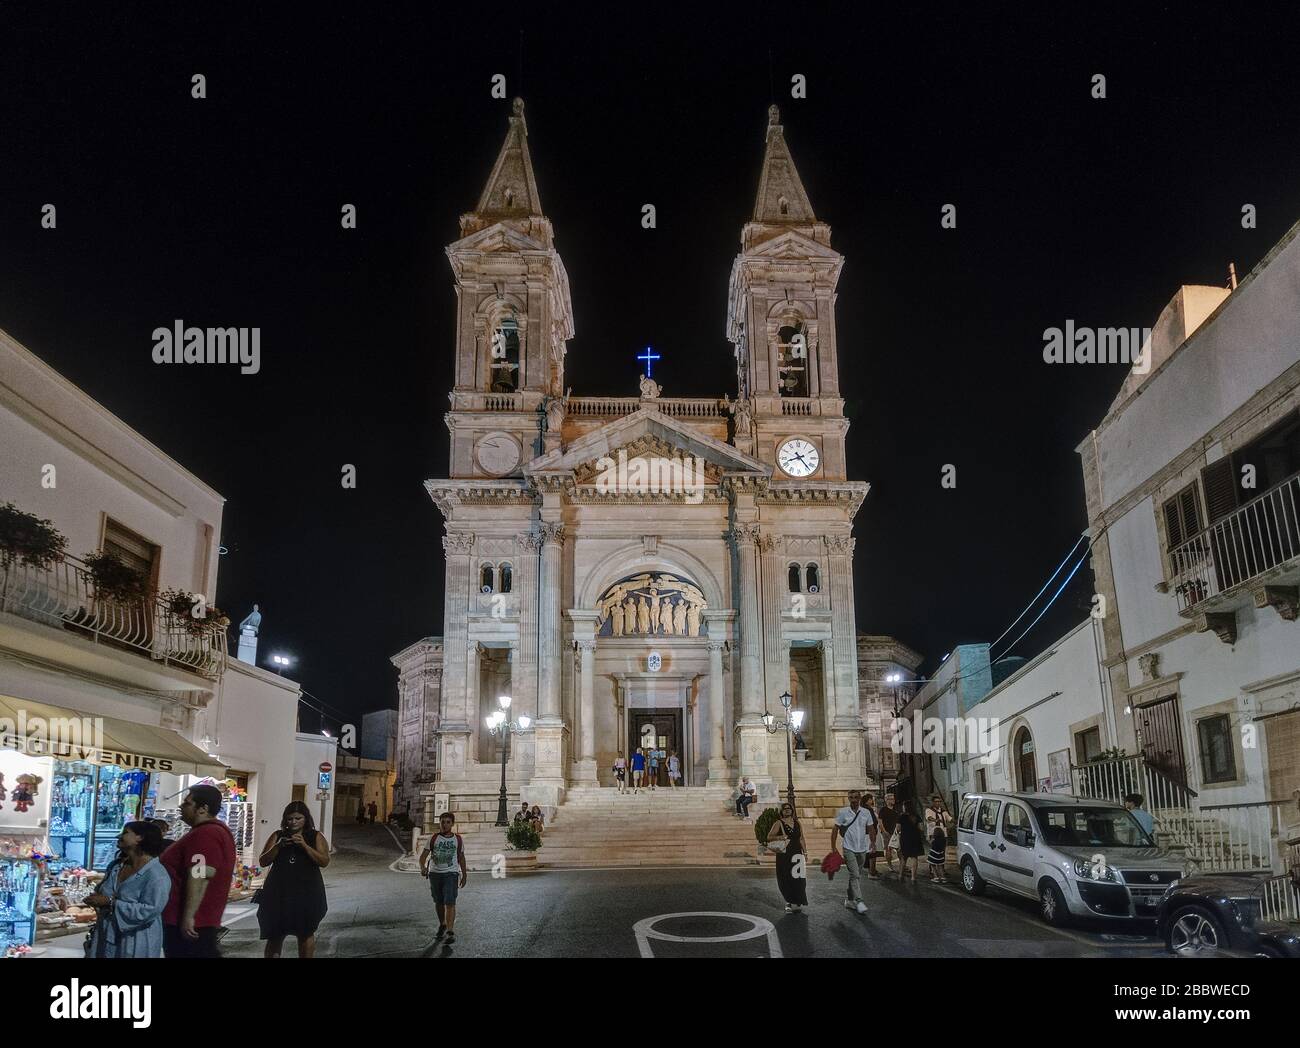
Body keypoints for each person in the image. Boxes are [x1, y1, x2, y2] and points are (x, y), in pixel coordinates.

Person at [159, 784, 236, 958]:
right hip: (195, 919)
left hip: (192, 921)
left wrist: (189, 917)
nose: (181, 806)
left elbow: (199, 874)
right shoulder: (212, 831)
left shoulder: (206, 834)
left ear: (203, 809)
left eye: (187, 803)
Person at [256, 801, 330, 958]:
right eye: (290, 819)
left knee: (305, 933)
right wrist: (277, 846)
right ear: (285, 820)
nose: (294, 822)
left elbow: (324, 861)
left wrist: (305, 845)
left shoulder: (315, 836)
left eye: (298, 818)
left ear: (306, 819)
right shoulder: (278, 835)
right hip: (278, 893)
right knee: (275, 934)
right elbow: (263, 861)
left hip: (306, 893)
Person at [86, 821, 170, 958]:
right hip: (106, 933)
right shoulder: (115, 867)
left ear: (140, 838)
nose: (119, 836)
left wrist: (110, 903)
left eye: (125, 833)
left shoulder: (156, 874)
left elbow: (150, 909)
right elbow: (104, 891)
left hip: (136, 939)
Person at [419, 811, 468, 946]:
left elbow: (462, 858)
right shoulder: (433, 838)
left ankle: (450, 931)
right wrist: (423, 868)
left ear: (452, 824)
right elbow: (423, 857)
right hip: (435, 874)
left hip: (451, 874)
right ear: (439, 823)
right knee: (439, 902)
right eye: (443, 822)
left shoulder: (457, 839)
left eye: (448, 822)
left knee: (450, 902)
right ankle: (443, 923)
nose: (445, 825)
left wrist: (464, 874)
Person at [831, 789, 875, 914]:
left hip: (862, 848)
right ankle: (859, 901)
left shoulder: (866, 812)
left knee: (855, 876)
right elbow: (835, 830)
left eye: (856, 797)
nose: (854, 800)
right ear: (848, 798)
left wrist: (872, 843)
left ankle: (850, 900)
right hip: (848, 848)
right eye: (851, 797)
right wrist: (833, 848)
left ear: (860, 798)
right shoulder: (843, 812)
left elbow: (871, 829)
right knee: (855, 875)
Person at [767, 801, 808, 912]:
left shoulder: (797, 823)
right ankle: (788, 903)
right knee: (786, 878)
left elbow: (801, 838)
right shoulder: (778, 823)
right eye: (784, 808)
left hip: (797, 854)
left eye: (789, 808)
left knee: (799, 878)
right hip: (784, 855)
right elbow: (769, 837)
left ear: (792, 810)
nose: (787, 810)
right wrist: (781, 837)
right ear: (782, 811)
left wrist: (805, 852)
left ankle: (798, 898)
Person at [896, 799, 925, 883]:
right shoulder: (917, 816)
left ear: (905, 807)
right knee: (914, 858)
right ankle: (913, 877)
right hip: (915, 838)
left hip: (905, 838)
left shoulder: (901, 817)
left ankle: (900, 875)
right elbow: (921, 828)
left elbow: (898, 829)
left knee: (903, 858)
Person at [924, 795, 952, 883]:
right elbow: (929, 817)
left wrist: (957, 821)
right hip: (933, 834)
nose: (938, 803)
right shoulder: (929, 810)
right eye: (936, 801)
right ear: (933, 802)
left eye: (939, 801)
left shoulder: (944, 812)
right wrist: (935, 820)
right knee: (933, 853)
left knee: (942, 852)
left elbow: (949, 819)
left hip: (943, 835)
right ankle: (933, 871)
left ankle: (942, 871)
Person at [878, 792, 900, 873]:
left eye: (893, 798)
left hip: (896, 832)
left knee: (899, 849)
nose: (893, 800)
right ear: (887, 800)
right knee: (888, 849)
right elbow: (880, 822)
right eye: (891, 799)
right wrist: (884, 831)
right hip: (887, 832)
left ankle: (902, 864)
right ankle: (890, 865)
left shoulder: (896, 809)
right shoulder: (883, 810)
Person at [863, 793, 881, 878]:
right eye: (871, 799)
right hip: (870, 833)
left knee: (871, 852)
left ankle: (872, 869)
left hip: (868, 833)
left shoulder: (866, 809)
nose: (872, 800)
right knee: (872, 853)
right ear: (867, 801)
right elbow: (872, 822)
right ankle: (871, 872)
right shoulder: (867, 810)